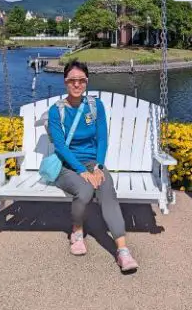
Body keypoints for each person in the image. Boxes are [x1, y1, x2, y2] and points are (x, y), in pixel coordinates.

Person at [46, 60, 139, 272]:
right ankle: (77, 231)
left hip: (92, 163)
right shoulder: (56, 111)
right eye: (72, 81)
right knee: (85, 190)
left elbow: (102, 139)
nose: (76, 85)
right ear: (65, 82)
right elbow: (60, 147)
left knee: (107, 192)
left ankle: (122, 251)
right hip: (66, 165)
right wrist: (81, 171)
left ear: (87, 82)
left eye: (81, 80)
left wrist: (97, 167)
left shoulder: (95, 106)